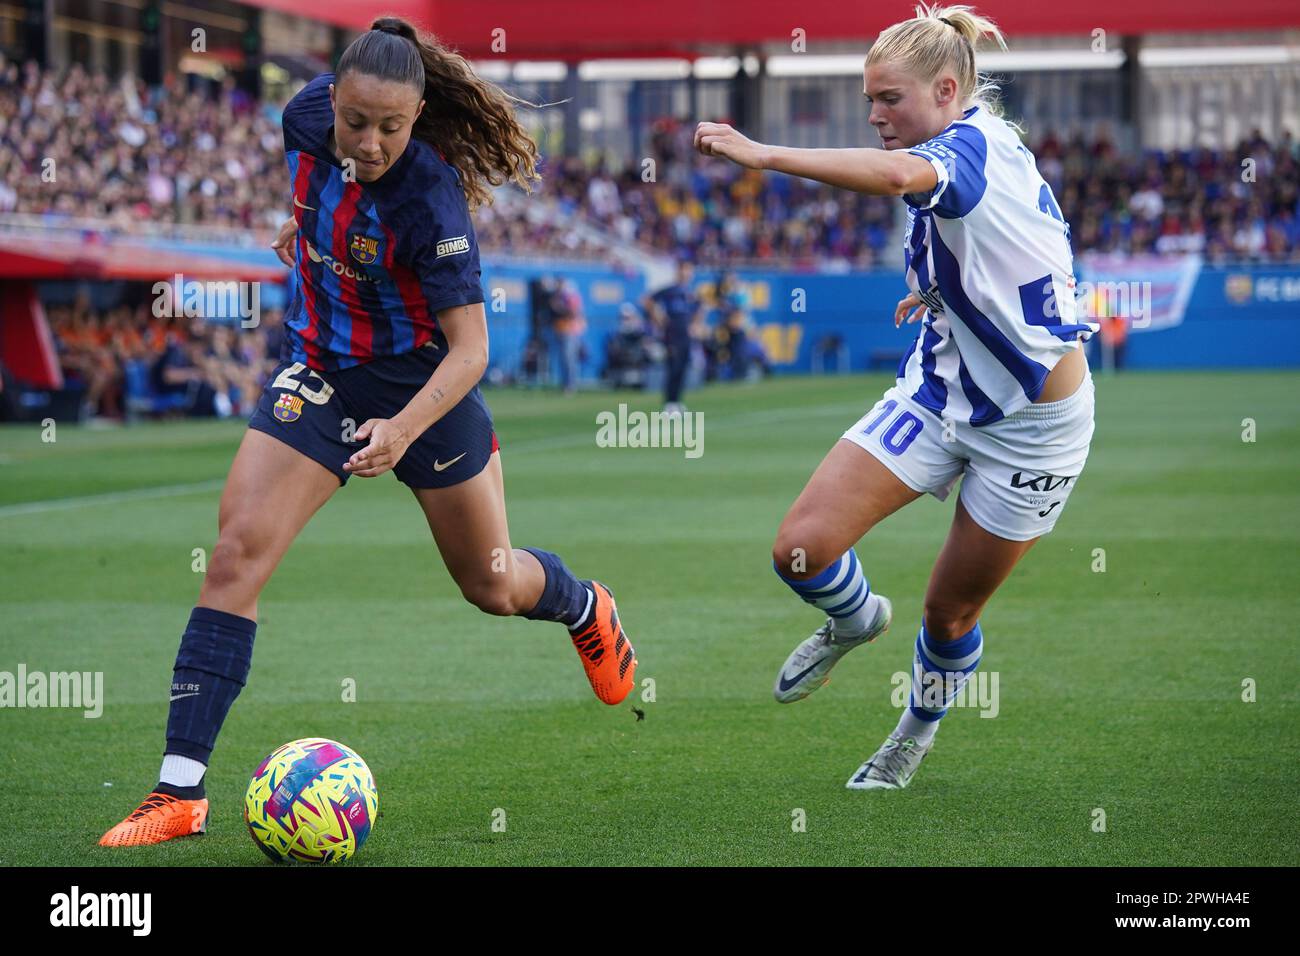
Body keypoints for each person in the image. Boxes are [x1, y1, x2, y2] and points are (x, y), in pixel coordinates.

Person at [100, 16, 637, 848]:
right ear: (332, 100)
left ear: (418, 116)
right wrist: (304, 227)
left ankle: (580, 603)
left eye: (391, 125)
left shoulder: (431, 197)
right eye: (357, 121)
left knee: (491, 585)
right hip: (320, 368)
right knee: (238, 552)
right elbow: (318, 183)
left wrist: (399, 428)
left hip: (424, 388)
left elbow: (471, 352)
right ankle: (178, 794)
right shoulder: (304, 115)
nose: (371, 140)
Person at [696, 3, 1097, 790]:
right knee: (799, 550)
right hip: (942, 385)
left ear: (947, 91)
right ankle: (854, 617)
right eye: (869, 99)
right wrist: (943, 295)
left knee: (948, 615)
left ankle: (912, 734)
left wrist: (763, 154)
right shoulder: (976, 135)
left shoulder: (964, 151)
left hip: (1033, 430)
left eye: (890, 100)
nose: (875, 116)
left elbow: (896, 178)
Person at [645, 256, 701, 415]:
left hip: (685, 335)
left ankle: (677, 402)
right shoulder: (670, 291)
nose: (686, 273)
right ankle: (669, 403)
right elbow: (648, 300)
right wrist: (659, 319)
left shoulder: (690, 293)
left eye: (689, 269)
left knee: (683, 367)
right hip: (672, 334)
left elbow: (699, 309)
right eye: (683, 269)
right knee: (673, 367)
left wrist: (695, 325)